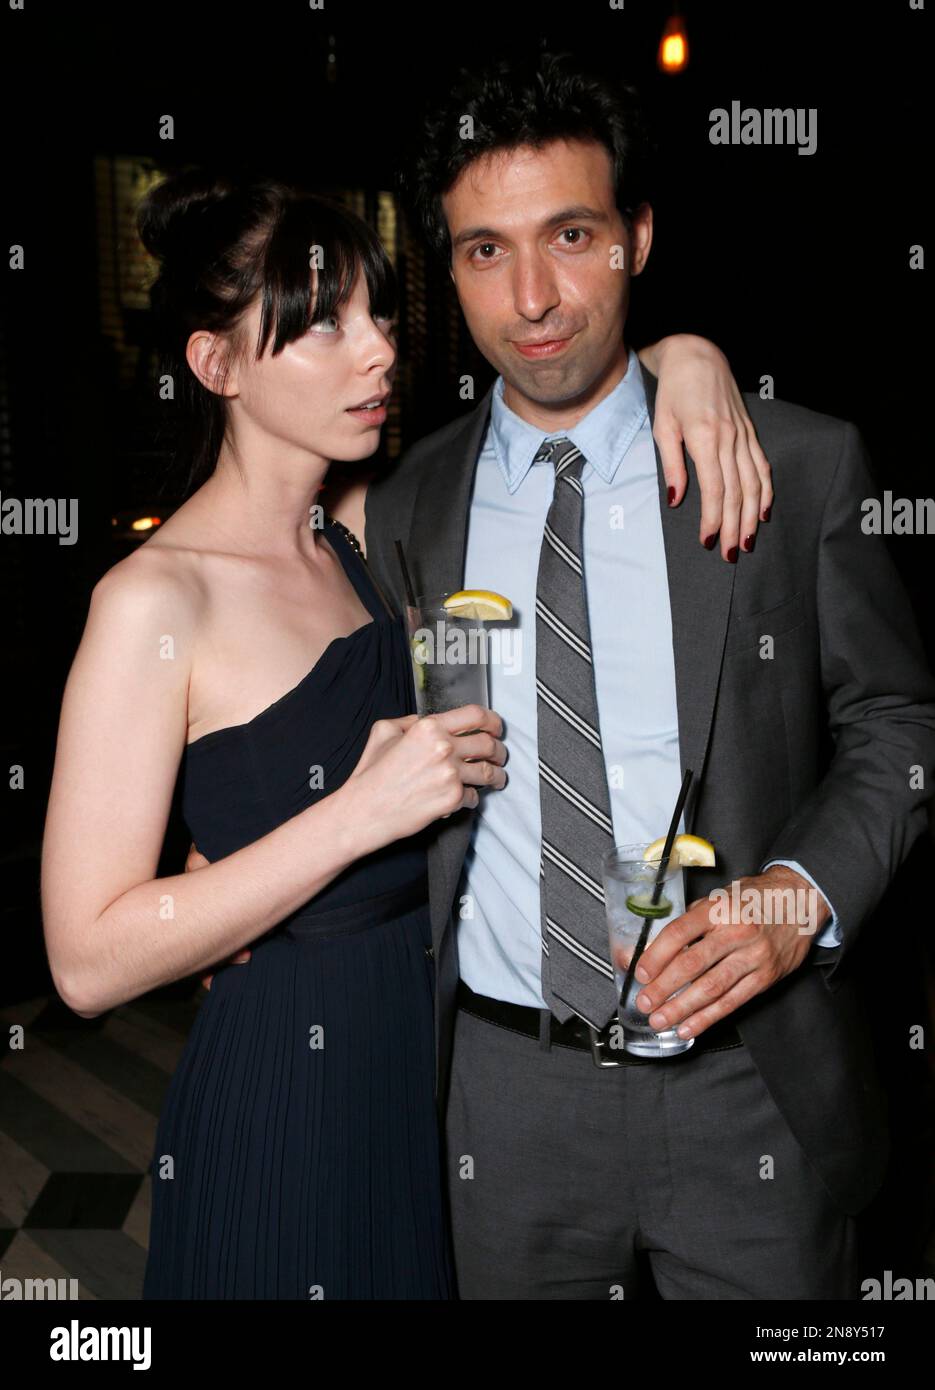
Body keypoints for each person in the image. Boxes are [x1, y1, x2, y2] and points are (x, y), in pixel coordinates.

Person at [40, 167, 768, 1299]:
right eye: (322, 327)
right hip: (290, 1082)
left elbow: (549, 411)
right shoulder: (154, 600)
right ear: (215, 363)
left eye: (377, 314)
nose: (377, 349)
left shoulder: (362, 530)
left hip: (428, 1069)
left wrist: (686, 359)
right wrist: (346, 820)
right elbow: (85, 960)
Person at [347, 51, 935, 1299]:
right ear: (446, 269)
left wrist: (795, 898)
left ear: (638, 237)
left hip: (747, 1079)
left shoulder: (792, 464)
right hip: (500, 1099)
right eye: (483, 251)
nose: (536, 295)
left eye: (570, 234)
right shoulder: (409, 504)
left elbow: (894, 720)